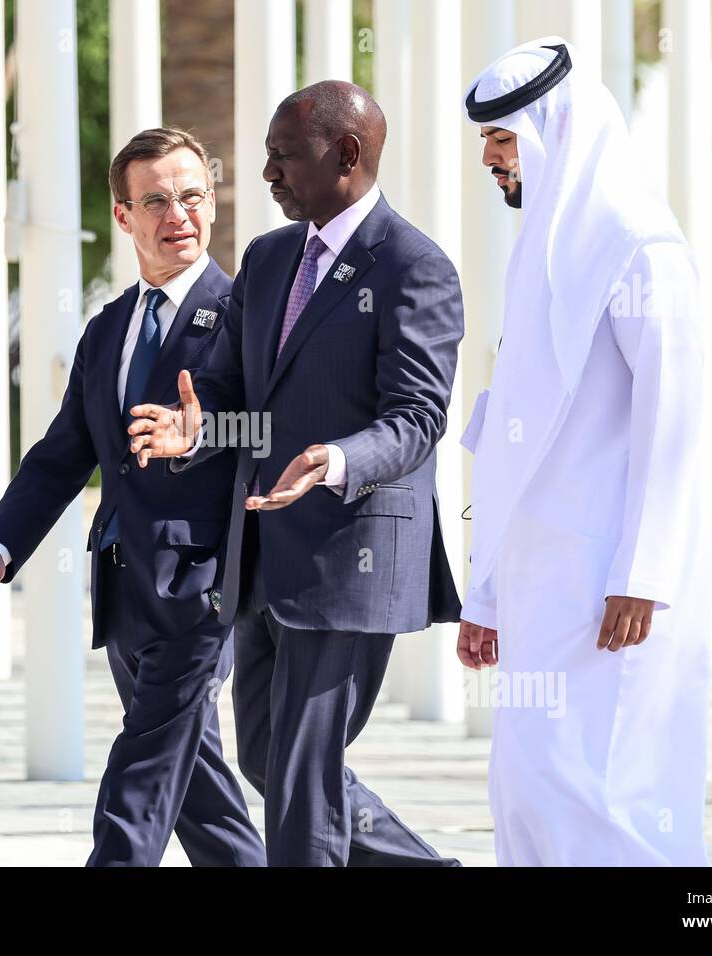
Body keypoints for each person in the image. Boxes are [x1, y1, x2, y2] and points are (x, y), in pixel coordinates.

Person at [128, 81, 464, 867]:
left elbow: (417, 418)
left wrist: (339, 460)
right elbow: (235, 394)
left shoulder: (415, 267)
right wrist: (198, 428)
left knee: (304, 774)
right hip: (263, 552)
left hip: (354, 550)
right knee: (268, 756)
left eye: (284, 155)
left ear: (347, 155)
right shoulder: (270, 256)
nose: (268, 172)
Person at [0, 128, 265, 867]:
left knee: (140, 779)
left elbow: (285, 430)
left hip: (208, 590)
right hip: (125, 593)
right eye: (155, 199)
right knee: (201, 796)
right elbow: (61, 459)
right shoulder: (108, 329)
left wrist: (205, 431)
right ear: (123, 216)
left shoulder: (250, 316)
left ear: (212, 203)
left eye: (192, 195)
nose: (178, 213)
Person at [457, 37, 712, 865]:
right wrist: (487, 594)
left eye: (504, 140)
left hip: (613, 591)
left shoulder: (642, 248)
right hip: (539, 591)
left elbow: (673, 418)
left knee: (607, 800)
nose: (493, 160)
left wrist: (641, 577)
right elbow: (509, 436)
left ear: (555, 132)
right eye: (489, 143)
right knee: (529, 789)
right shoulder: (541, 248)